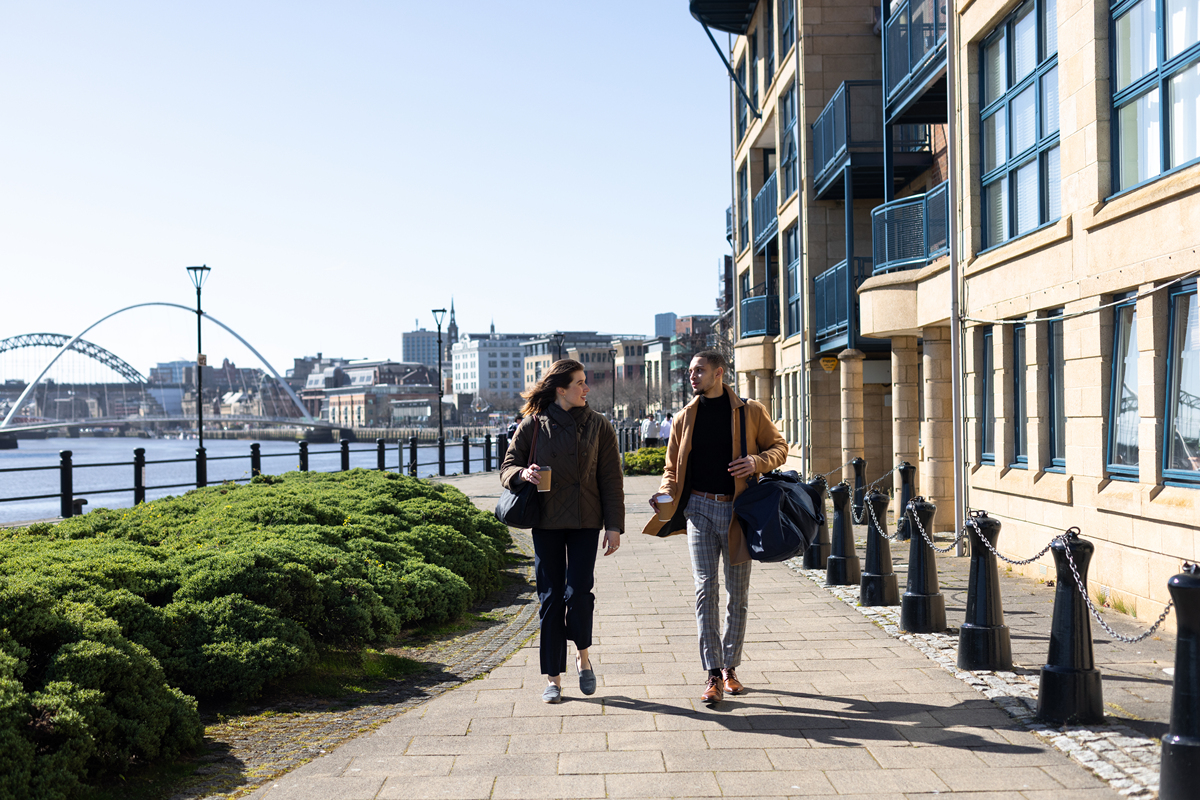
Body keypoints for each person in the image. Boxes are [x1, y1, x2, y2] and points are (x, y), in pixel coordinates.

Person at [641, 351, 787, 705]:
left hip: (739, 512)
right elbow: (671, 469)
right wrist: (664, 493)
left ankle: (730, 669)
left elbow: (779, 448)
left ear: (719, 373)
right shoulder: (683, 418)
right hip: (699, 510)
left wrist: (756, 461)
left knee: (738, 594)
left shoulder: (750, 412)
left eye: (699, 370)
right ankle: (711, 674)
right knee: (706, 588)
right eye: (690, 371)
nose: (692, 376)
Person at [500, 359, 624, 704]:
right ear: (561, 389)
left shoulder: (600, 426)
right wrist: (523, 475)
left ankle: (583, 657)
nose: (586, 389)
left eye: (586, 382)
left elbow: (612, 479)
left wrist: (613, 526)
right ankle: (553, 679)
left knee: (580, 594)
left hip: (587, 522)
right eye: (580, 383)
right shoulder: (532, 426)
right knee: (551, 598)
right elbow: (507, 467)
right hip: (547, 521)